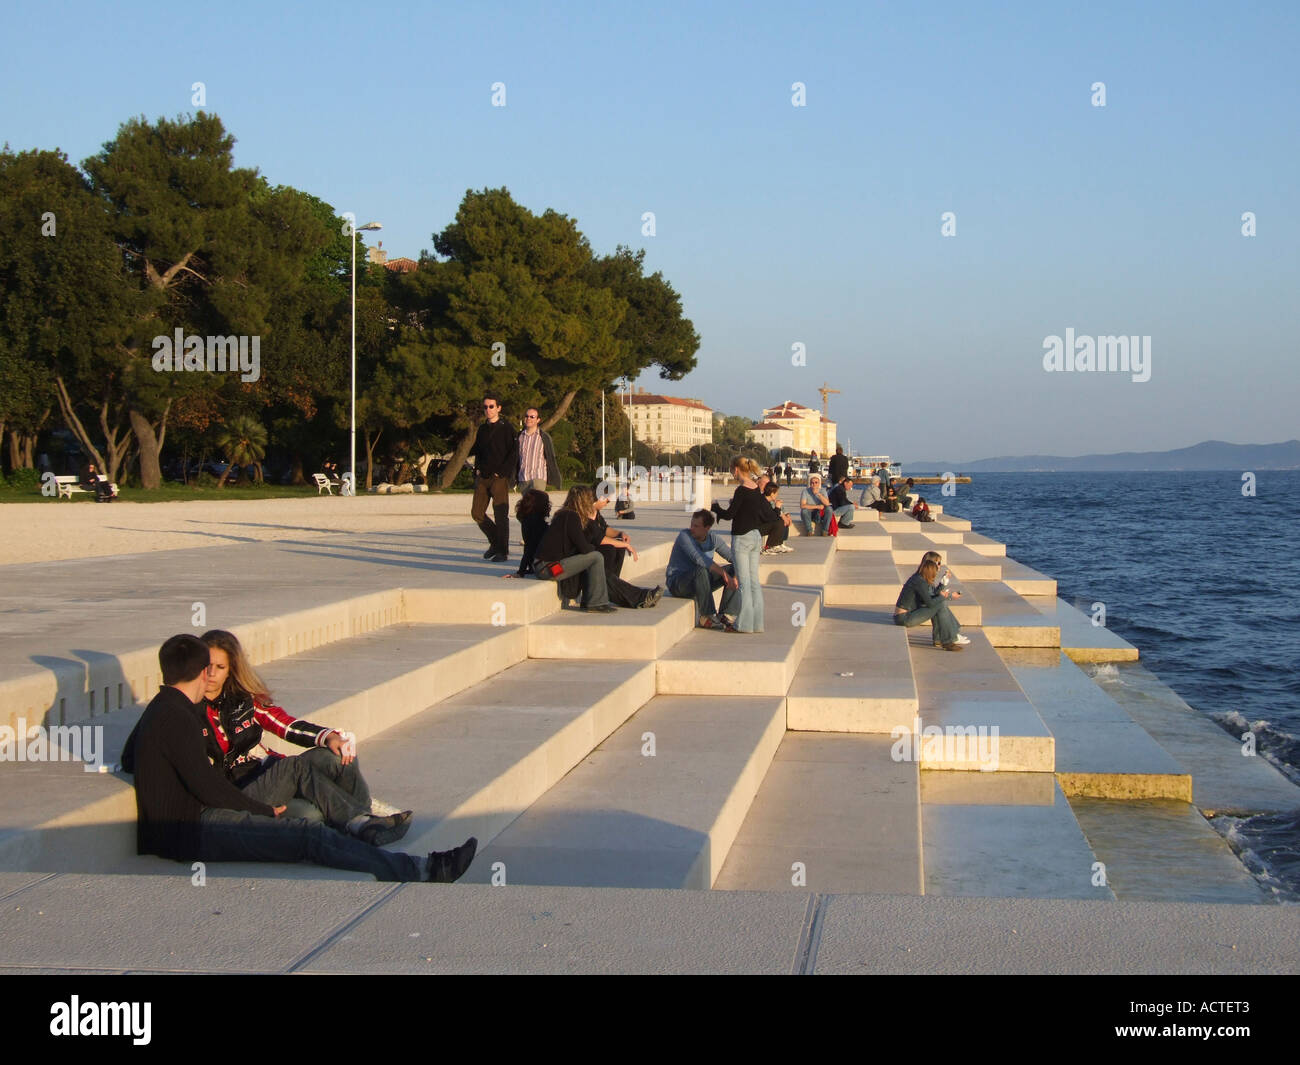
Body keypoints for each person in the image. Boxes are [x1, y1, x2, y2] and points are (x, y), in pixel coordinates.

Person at [129, 634, 477, 882]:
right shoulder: (179, 717)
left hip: (190, 822)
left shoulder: (162, 710)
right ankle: (423, 869)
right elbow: (206, 786)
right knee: (308, 836)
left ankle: (383, 838)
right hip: (192, 831)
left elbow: (132, 758)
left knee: (312, 820)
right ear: (202, 671)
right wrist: (265, 811)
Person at [534, 485, 616, 613]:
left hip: (545, 566)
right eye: (589, 498)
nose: (592, 501)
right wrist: (593, 531)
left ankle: (592, 600)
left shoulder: (565, 514)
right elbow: (585, 548)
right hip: (548, 569)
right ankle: (596, 603)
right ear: (583, 500)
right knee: (596, 556)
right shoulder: (571, 517)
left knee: (594, 556)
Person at [579, 486, 663, 608]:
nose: (607, 504)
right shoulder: (584, 515)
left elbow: (605, 529)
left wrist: (619, 534)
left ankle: (611, 588)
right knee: (610, 549)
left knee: (617, 548)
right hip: (584, 557)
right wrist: (624, 544)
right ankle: (639, 597)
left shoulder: (595, 513)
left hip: (592, 553)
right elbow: (599, 539)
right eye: (607, 501)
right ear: (600, 498)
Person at [710, 457, 765, 633]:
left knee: (744, 583)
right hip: (755, 537)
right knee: (754, 581)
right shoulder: (756, 488)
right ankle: (757, 623)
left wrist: (716, 508)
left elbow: (729, 515)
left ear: (735, 470)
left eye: (731, 470)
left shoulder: (741, 490)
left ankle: (744, 625)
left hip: (742, 538)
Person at [667, 509, 740, 630]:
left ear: (707, 528)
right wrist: (723, 574)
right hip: (679, 583)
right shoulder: (684, 537)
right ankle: (707, 616)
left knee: (735, 569)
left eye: (696, 526)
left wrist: (736, 577)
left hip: (702, 581)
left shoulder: (713, 539)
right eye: (691, 524)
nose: (692, 528)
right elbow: (700, 559)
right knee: (701, 569)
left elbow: (736, 559)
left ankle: (725, 614)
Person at [470, 394, 518, 563]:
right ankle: (495, 542)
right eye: (485, 407)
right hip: (483, 477)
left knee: (500, 515)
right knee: (477, 513)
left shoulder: (507, 428)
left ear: (499, 408)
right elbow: (478, 451)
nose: (488, 410)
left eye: (491, 406)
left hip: (499, 478)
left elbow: (514, 453)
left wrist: (503, 472)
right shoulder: (482, 429)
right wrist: (476, 469)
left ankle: (502, 551)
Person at [894, 555, 970, 651]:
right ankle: (948, 640)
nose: (939, 566)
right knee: (940, 604)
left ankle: (944, 638)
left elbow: (932, 596)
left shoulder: (921, 578)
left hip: (908, 614)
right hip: (904, 618)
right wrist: (946, 596)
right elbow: (930, 602)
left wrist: (943, 584)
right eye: (938, 563)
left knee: (939, 604)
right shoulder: (919, 581)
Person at [516, 406, 562, 494]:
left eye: (532, 417)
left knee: (537, 504)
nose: (528, 418)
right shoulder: (519, 437)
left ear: (538, 420)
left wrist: (554, 478)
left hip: (538, 478)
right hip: (523, 478)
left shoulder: (543, 437)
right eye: (527, 416)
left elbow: (551, 458)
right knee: (527, 507)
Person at [513, 488, 551, 578]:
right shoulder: (538, 522)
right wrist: (520, 571)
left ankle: (531, 567)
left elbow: (529, 546)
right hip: (543, 564)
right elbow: (530, 546)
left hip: (535, 561)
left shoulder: (526, 519)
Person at [758, 479, 793, 553]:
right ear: (772, 493)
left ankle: (778, 544)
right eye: (776, 493)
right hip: (755, 528)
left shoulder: (765, 500)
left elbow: (771, 516)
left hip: (760, 525)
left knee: (780, 521)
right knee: (779, 522)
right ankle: (769, 546)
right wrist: (777, 508)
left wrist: (781, 512)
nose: (777, 495)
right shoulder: (762, 501)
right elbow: (770, 518)